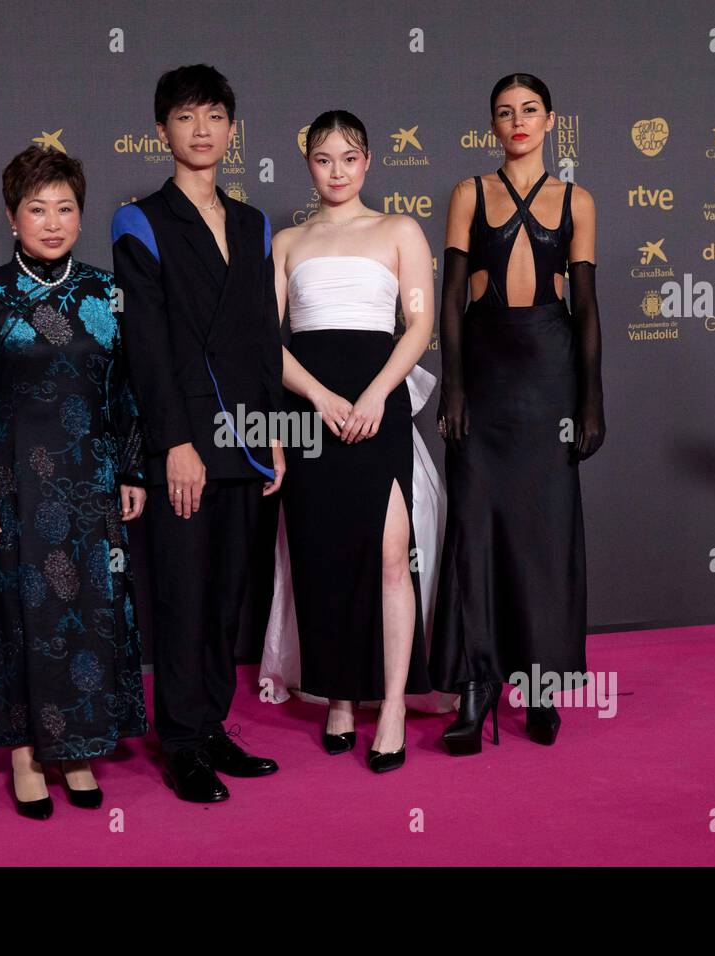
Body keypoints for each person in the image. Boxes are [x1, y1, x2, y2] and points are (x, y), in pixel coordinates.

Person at [0, 146, 149, 819]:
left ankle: (79, 748)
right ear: (12, 215)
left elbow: (127, 390)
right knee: (22, 617)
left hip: (89, 479)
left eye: (66, 208)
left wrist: (130, 466)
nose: (53, 222)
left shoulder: (106, 293)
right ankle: (27, 754)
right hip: (11, 485)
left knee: (86, 611)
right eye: (38, 209)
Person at [111, 64, 285, 803]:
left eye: (214, 115)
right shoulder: (139, 220)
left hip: (248, 435)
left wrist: (275, 430)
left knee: (227, 595)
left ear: (232, 129)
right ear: (163, 132)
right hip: (184, 437)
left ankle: (211, 725)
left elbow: (260, 334)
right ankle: (180, 739)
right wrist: (173, 443)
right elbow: (145, 343)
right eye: (186, 117)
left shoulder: (254, 223)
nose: (202, 130)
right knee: (181, 593)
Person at [431, 73, 606, 753]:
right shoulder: (468, 194)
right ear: (493, 126)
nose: (518, 121)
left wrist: (591, 400)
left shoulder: (578, 200)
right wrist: (453, 391)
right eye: (505, 112)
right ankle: (475, 690)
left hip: (550, 379)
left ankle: (539, 689)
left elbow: (586, 306)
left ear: (551, 120)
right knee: (474, 532)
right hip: (485, 374)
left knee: (543, 536)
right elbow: (449, 300)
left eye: (530, 110)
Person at [263, 111, 436, 773]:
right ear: (308, 164)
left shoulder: (399, 230)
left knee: (392, 557)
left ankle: (390, 704)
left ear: (369, 161)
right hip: (312, 411)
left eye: (349, 157)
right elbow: (266, 343)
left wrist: (375, 394)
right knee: (321, 559)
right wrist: (321, 397)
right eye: (324, 159)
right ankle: (338, 695)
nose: (337, 171)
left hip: (377, 405)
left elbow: (417, 325)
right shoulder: (287, 241)